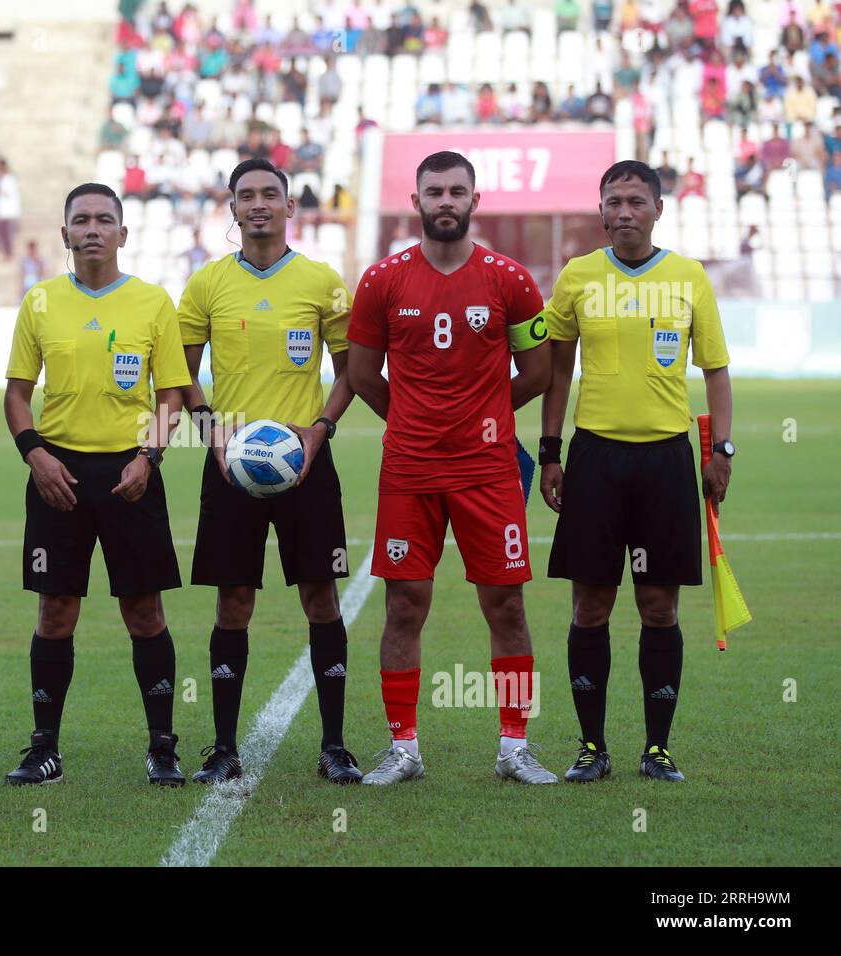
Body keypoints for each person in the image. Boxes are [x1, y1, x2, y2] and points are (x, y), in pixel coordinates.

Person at [346, 150, 557, 786]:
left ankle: (514, 747)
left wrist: (482, 416)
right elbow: (361, 375)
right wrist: (413, 421)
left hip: (488, 471)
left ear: (474, 201)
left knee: (506, 606)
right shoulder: (382, 280)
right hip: (408, 470)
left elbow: (540, 372)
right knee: (404, 605)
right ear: (416, 202)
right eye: (433, 191)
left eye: (456, 191)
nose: (445, 201)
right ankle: (403, 748)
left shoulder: (510, 280)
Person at [539, 161, 733, 783]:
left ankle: (658, 748)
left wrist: (721, 451)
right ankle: (592, 748)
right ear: (600, 210)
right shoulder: (576, 277)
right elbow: (556, 372)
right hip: (595, 458)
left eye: (635, 201)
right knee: (590, 606)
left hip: (666, 461)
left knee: (659, 607)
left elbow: (717, 370)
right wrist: (550, 453)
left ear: (657, 209)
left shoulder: (688, 277)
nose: (624, 212)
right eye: (613, 201)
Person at [177, 158, 361, 785]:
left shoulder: (323, 282)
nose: (258, 204)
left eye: (269, 195)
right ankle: (223, 747)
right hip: (231, 469)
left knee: (320, 595)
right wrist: (214, 437)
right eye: (246, 195)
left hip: (306, 464)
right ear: (232, 209)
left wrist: (319, 431)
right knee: (234, 599)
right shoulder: (206, 285)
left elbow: (352, 371)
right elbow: (180, 376)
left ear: (289, 207)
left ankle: (334, 746)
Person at [3, 183, 190, 786]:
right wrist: (35, 455)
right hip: (58, 474)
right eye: (80, 220)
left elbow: (172, 397)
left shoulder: (152, 302)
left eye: (103, 220)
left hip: (131, 473)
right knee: (55, 611)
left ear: (122, 233)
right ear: (64, 234)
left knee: (144, 609)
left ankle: (163, 746)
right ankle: (44, 748)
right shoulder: (39, 302)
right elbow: (17, 393)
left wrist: (149, 457)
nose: (91, 229)